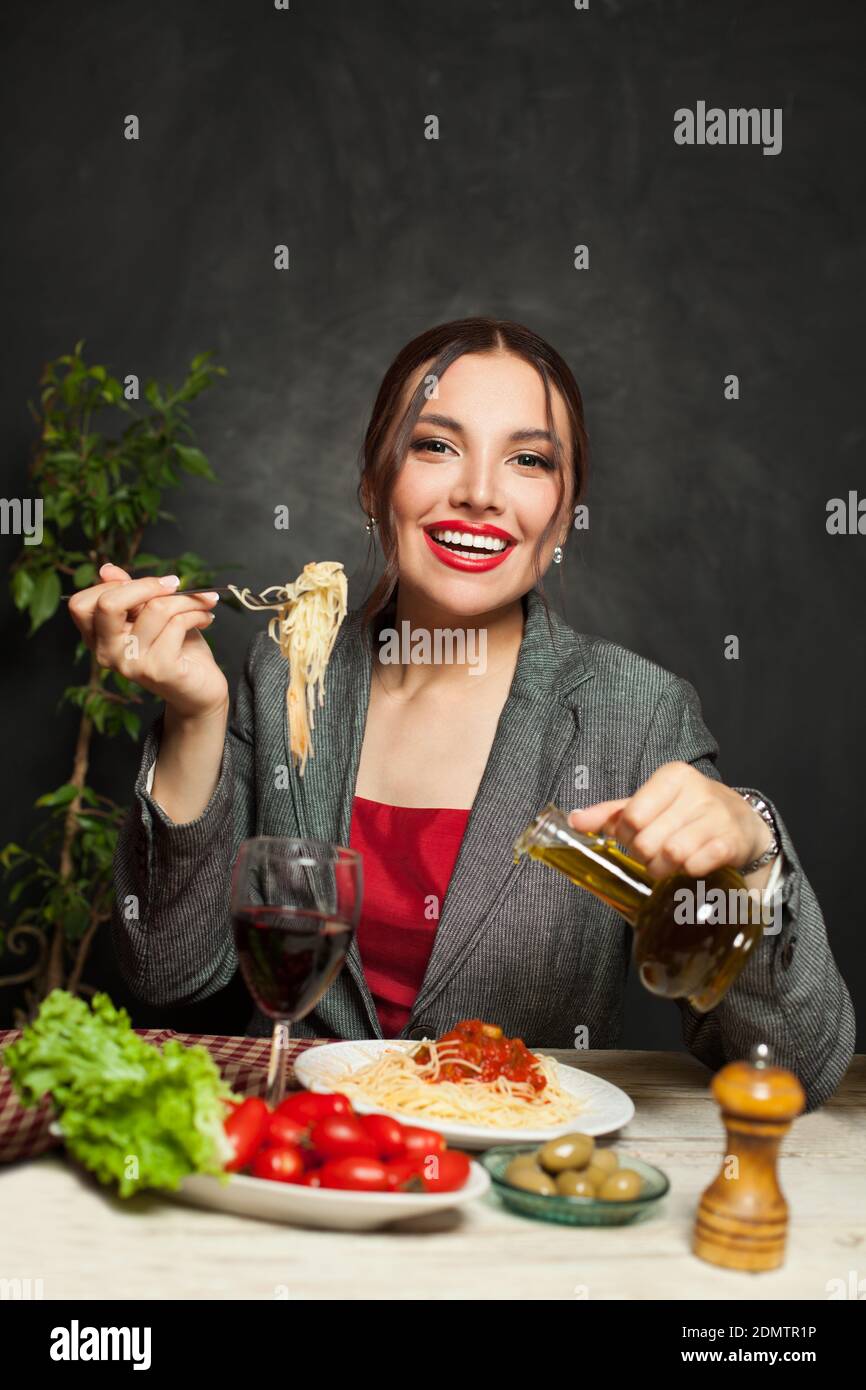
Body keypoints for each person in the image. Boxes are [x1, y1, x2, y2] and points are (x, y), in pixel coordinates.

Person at [69, 317, 855, 1112]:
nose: (480, 491)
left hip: (522, 1192)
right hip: (313, 1160)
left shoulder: (638, 714)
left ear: (564, 511)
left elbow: (787, 1069)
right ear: (376, 481)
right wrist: (196, 716)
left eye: (528, 460)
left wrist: (754, 857)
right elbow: (171, 972)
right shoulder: (287, 675)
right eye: (436, 445)